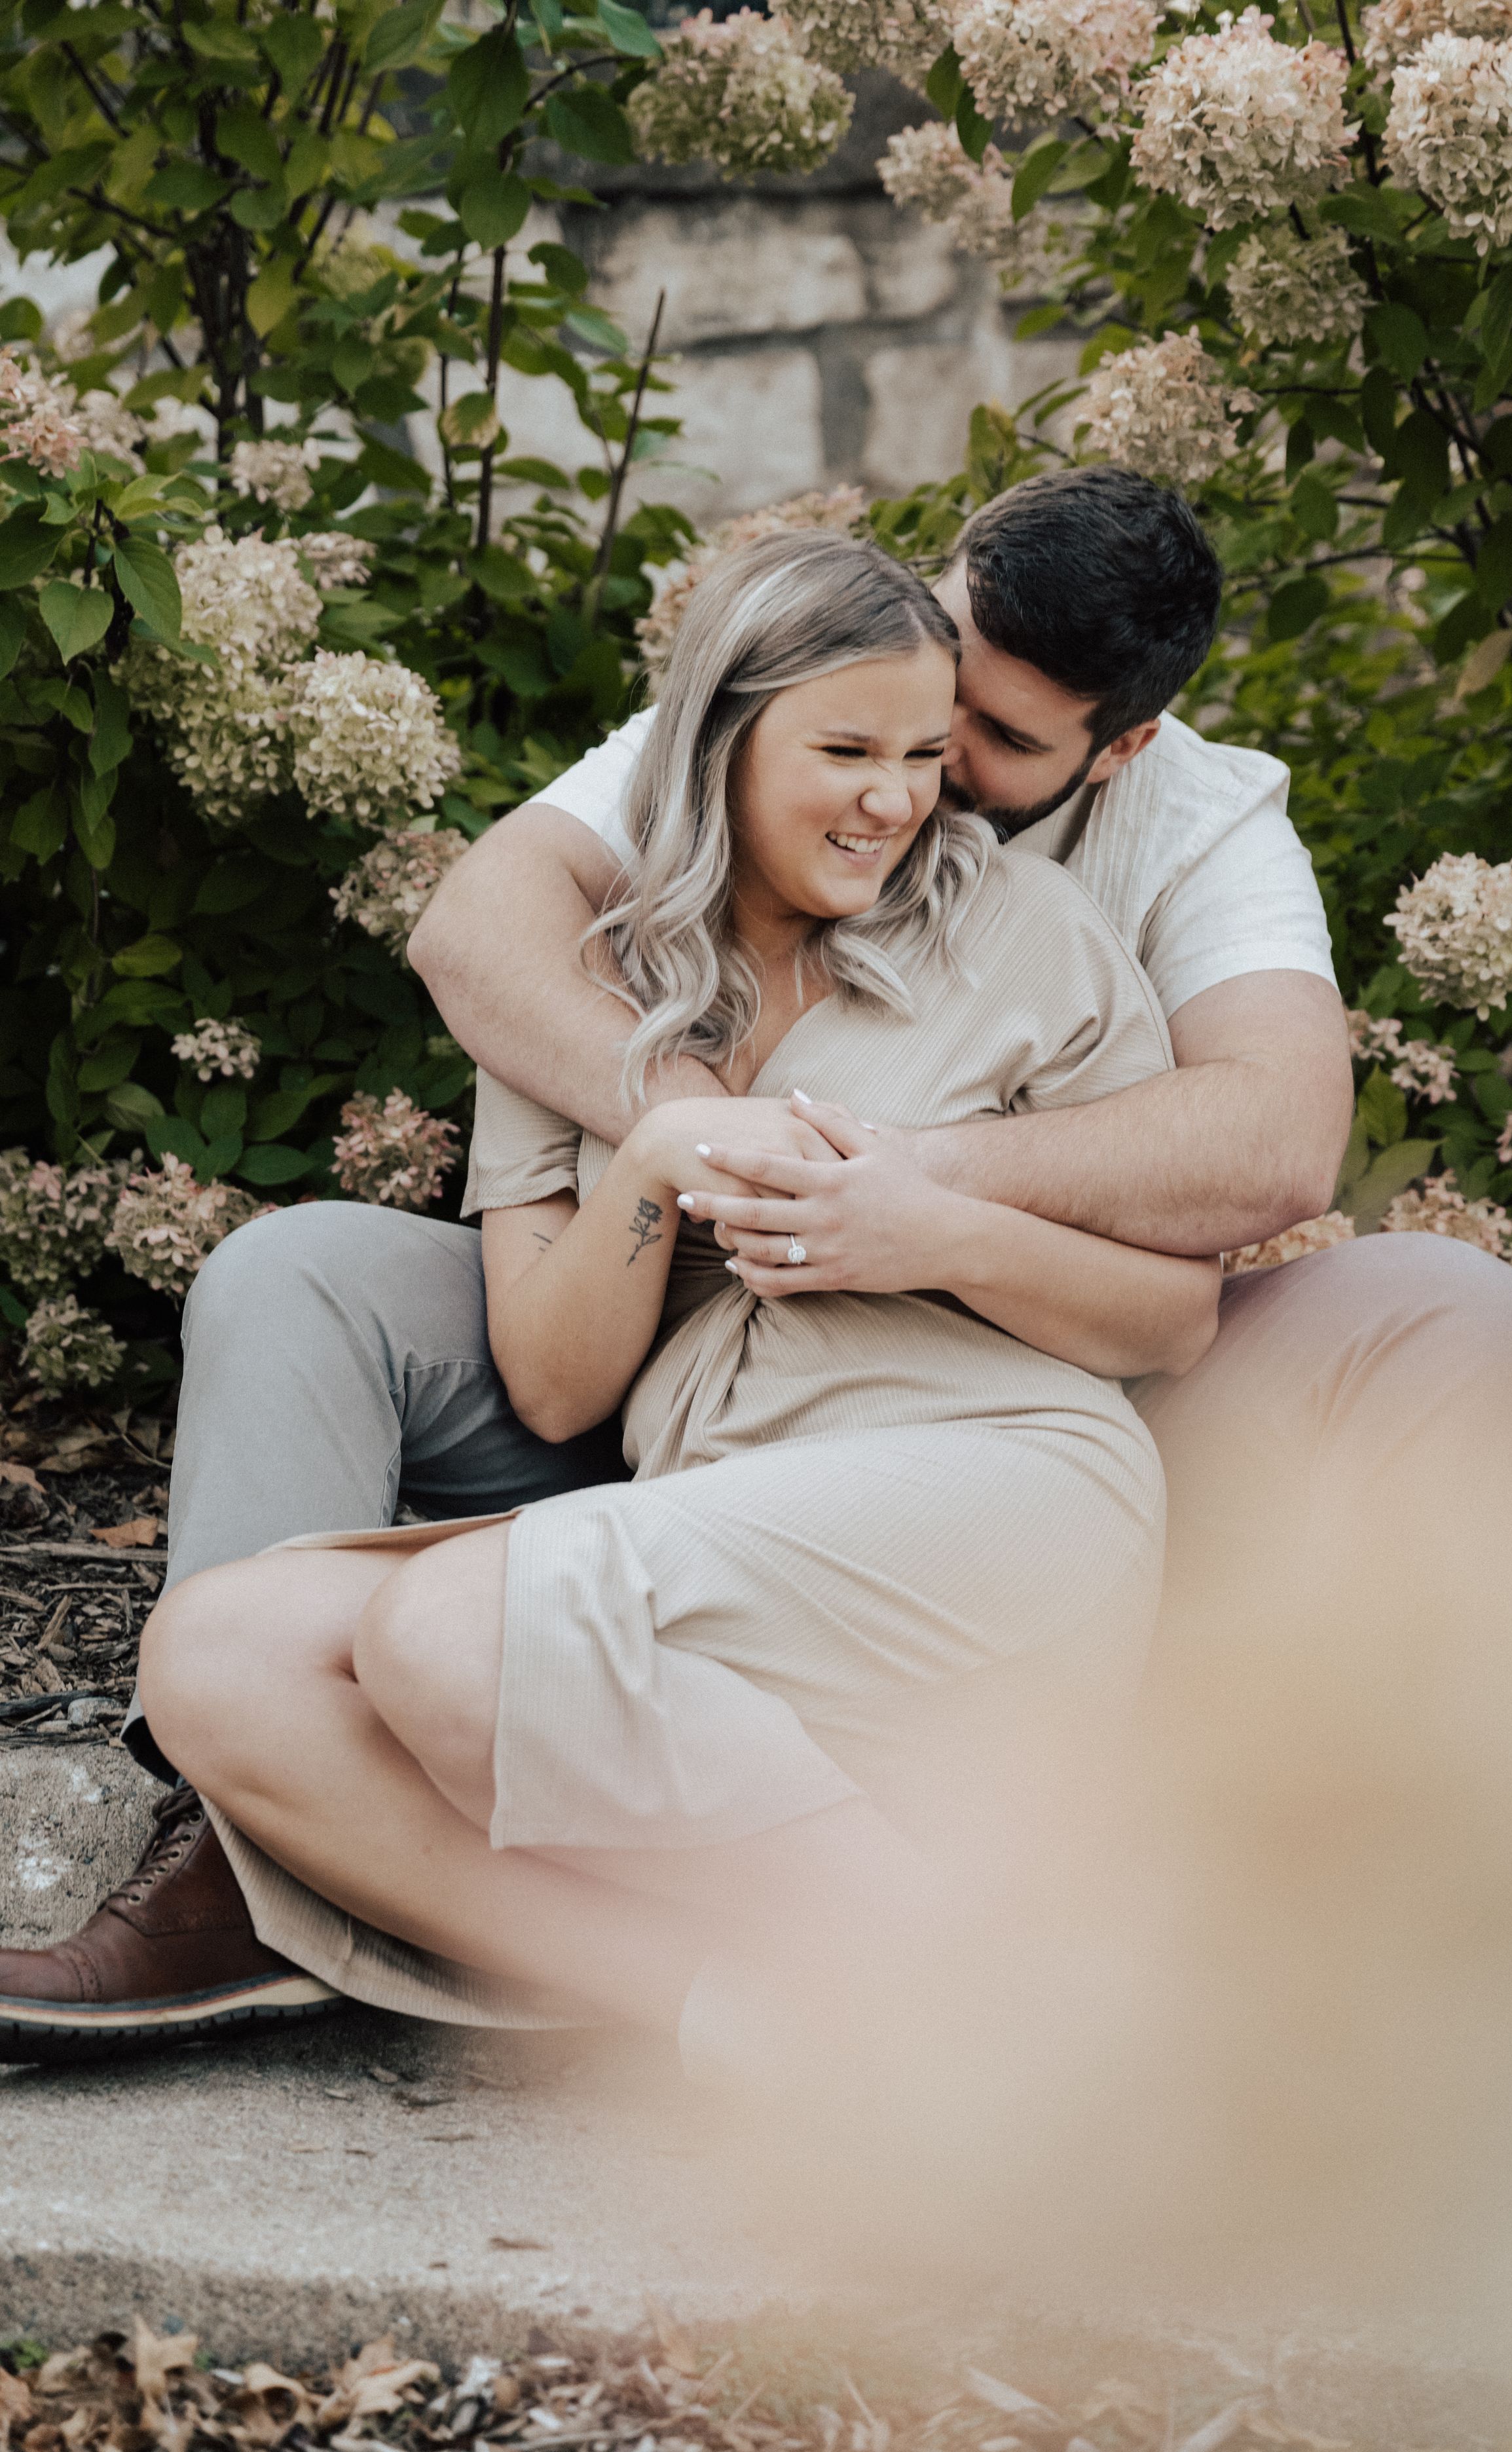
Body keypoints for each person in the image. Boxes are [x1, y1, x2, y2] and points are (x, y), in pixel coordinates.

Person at [0, 468, 1512, 2060]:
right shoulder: (743, 776)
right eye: (873, 734)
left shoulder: (1073, 894)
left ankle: (1168, 1951)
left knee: (1451, 1311)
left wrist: (919, 1201)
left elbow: (1270, 1157)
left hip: (985, 1435)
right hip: (706, 1448)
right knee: (231, 1625)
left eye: (975, 743)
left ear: (1118, 742)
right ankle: (574, 1963)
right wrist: (671, 1139)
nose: (921, 773)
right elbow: (486, 980)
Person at [104, 534, 1217, 2068]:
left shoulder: (1023, 939)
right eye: (844, 750)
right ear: (720, 737)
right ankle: (728, 2012)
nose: (896, 800)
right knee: (220, 1657)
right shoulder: (574, 982)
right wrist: (652, 1155)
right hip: (709, 1534)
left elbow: (1171, 1322)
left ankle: (990, 2015)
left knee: (450, 1630)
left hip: (993, 1487)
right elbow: (555, 1393)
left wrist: (929, 1227)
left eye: (916, 753)